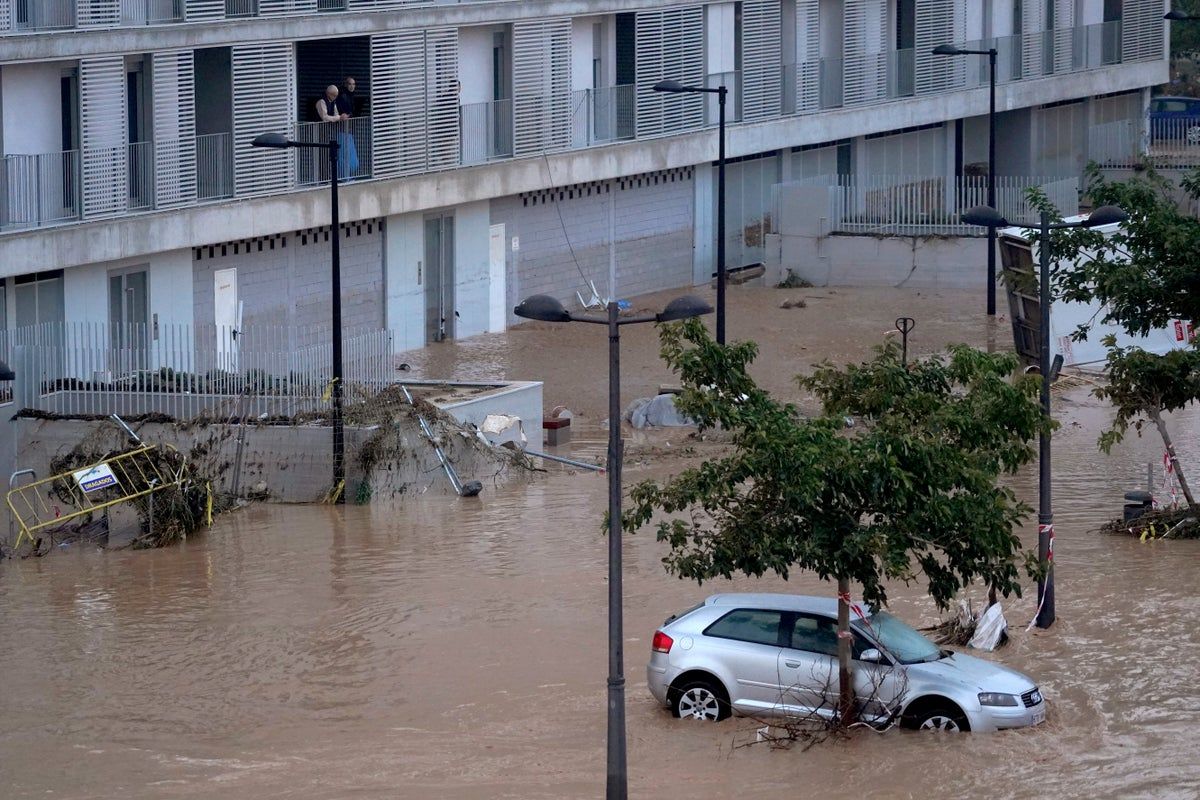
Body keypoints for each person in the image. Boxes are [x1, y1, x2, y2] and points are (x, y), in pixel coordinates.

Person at [314, 84, 358, 179]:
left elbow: (336, 113)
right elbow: (324, 117)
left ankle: (330, 176)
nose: (335, 98)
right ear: (329, 94)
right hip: (321, 131)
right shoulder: (321, 102)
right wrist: (338, 117)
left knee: (331, 153)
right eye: (334, 95)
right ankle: (323, 178)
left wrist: (341, 116)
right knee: (323, 154)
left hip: (329, 131)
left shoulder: (332, 102)